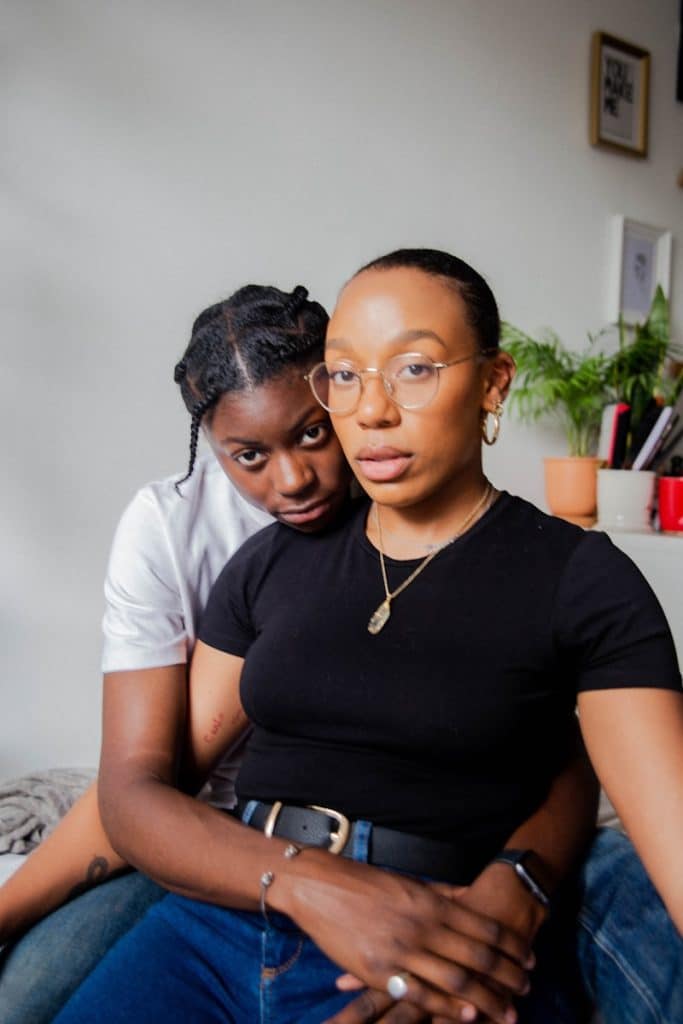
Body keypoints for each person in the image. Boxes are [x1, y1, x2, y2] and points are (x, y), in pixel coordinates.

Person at [49, 250, 683, 1024]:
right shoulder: (265, 564)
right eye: (344, 375)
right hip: (216, 926)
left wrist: (503, 898)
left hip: (439, 941)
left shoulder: (581, 578)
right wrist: (317, 887)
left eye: (413, 368)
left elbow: (640, 810)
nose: (371, 410)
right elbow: (141, 789)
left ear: (492, 382)